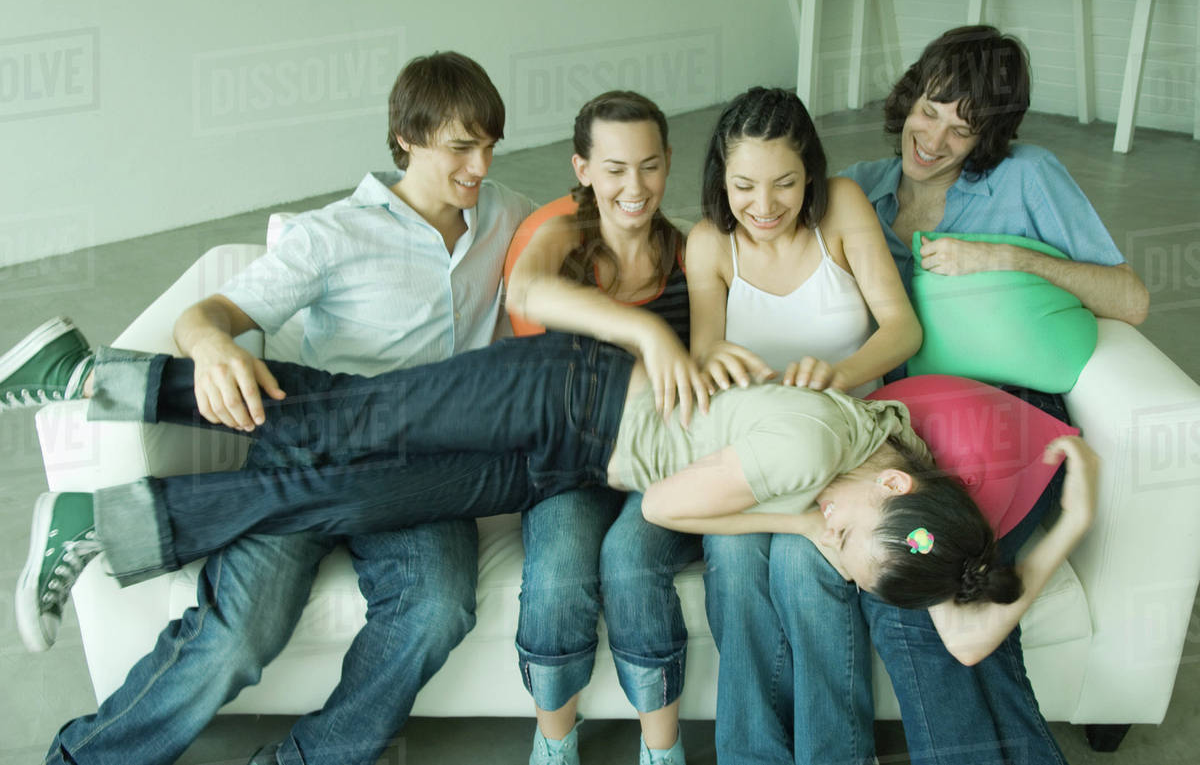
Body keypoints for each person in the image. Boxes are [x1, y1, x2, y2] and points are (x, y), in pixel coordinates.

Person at [3, 51, 534, 765]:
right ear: (406, 137)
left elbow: (571, 242)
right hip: (312, 444)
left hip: (424, 468)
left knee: (436, 609)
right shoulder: (333, 234)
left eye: (490, 143)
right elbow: (211, 313)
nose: (481, 164)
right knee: (240, 632)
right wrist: (214, 348)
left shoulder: (503, 216)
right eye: (461, 146)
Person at [15, 328, 1097, 650]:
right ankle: (91, 379)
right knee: (347, 427)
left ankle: (116, 519)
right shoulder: (813, 464)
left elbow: (962, 614)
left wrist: (1066, 521)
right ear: (890, 485)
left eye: (843, 554)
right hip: (565, 397)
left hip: (569, 451)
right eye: (854, 535)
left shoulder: (877, 447)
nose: (832, 537)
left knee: (345, 486)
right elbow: (671, 510)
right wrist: (805, 529)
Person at [809, 24, 1150, 765]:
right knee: (938, 591)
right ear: (909, 96)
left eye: (963, 129)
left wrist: (1005, 256)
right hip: (908, 436)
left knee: (911, 601)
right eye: (930, 109)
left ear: (989, 137)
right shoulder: (857, 191)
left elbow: (1130, 298)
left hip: (1008, 429)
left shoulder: (1027, 179)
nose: (933, 138)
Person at [683, 85, 921, 765]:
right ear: (720, 180)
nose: (764, 206)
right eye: (744, 186)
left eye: (785, 183)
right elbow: (704, 356)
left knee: (801, 559)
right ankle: (750, 754)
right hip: (761, 442)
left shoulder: (841, 208)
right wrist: (720, 365)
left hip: (850, 435)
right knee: (731, 557)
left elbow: (903, 326)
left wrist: (840, 373)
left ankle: (837, 754)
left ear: (810, 173)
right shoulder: (710, 245)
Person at [505, 91, 699, 765]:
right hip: (574, 460)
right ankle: (556, 741)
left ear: (669, 163)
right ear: (582, 168)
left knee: (629, 559)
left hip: (666, 461)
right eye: (614, 168)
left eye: (649, 166)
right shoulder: (562, 233)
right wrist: (644, 329)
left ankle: (660, 749)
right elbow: (525, 293)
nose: (634, 186)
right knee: (557, 572)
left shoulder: (685, 250)